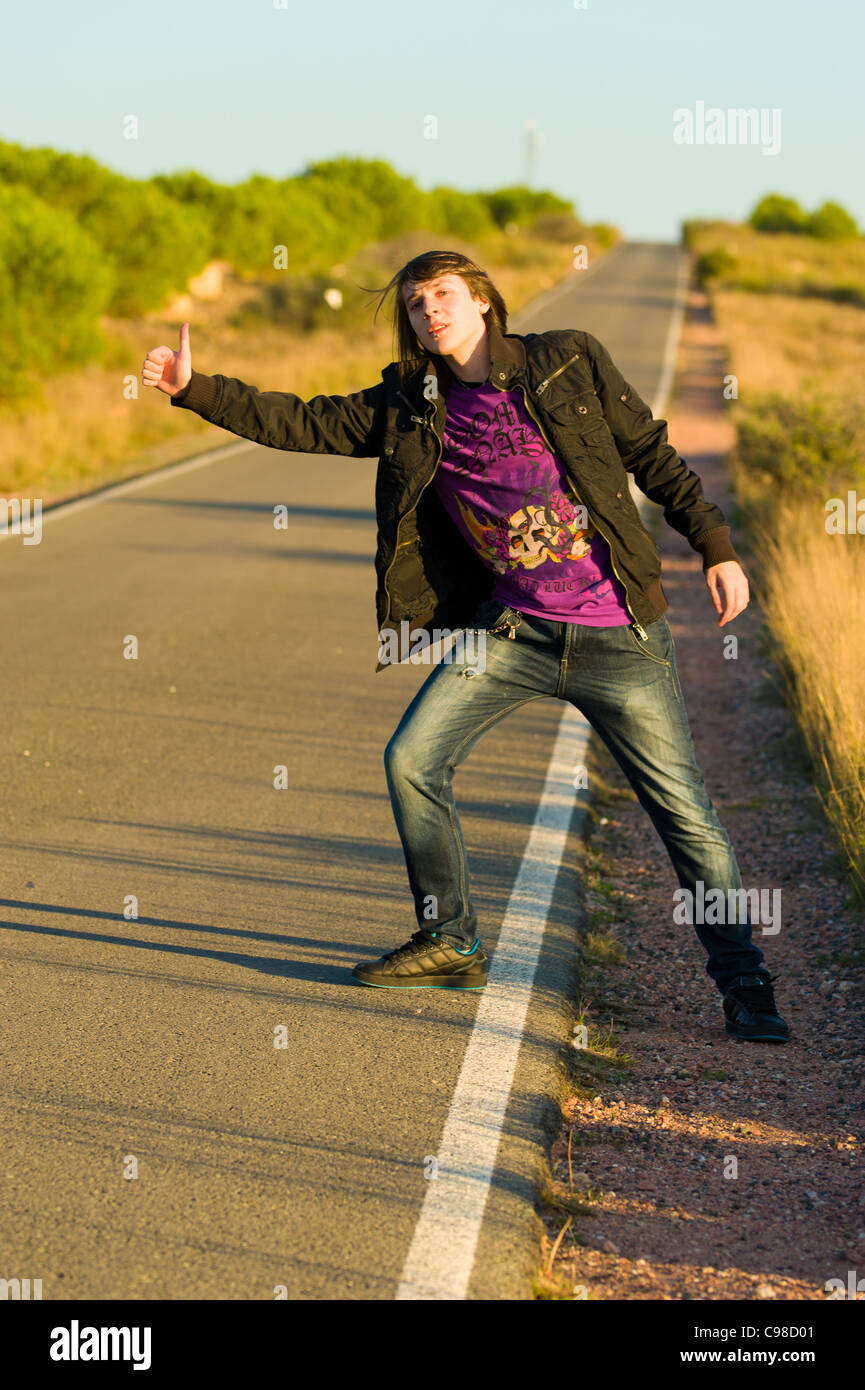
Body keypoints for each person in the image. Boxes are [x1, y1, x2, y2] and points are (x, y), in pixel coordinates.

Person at [141, 249, 788, 1043]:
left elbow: (649, 453)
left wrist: (714, 545)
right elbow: (304, 420)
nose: (429, 312)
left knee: (684, 817)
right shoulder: (411, 402)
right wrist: (193, 389)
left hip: (618, 631)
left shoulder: (567, 360)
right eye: (415, 305)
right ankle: (449, 939)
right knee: (411, 760)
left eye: (442, 295)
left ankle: (745, 984)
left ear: (482, 301)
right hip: (508, 632)